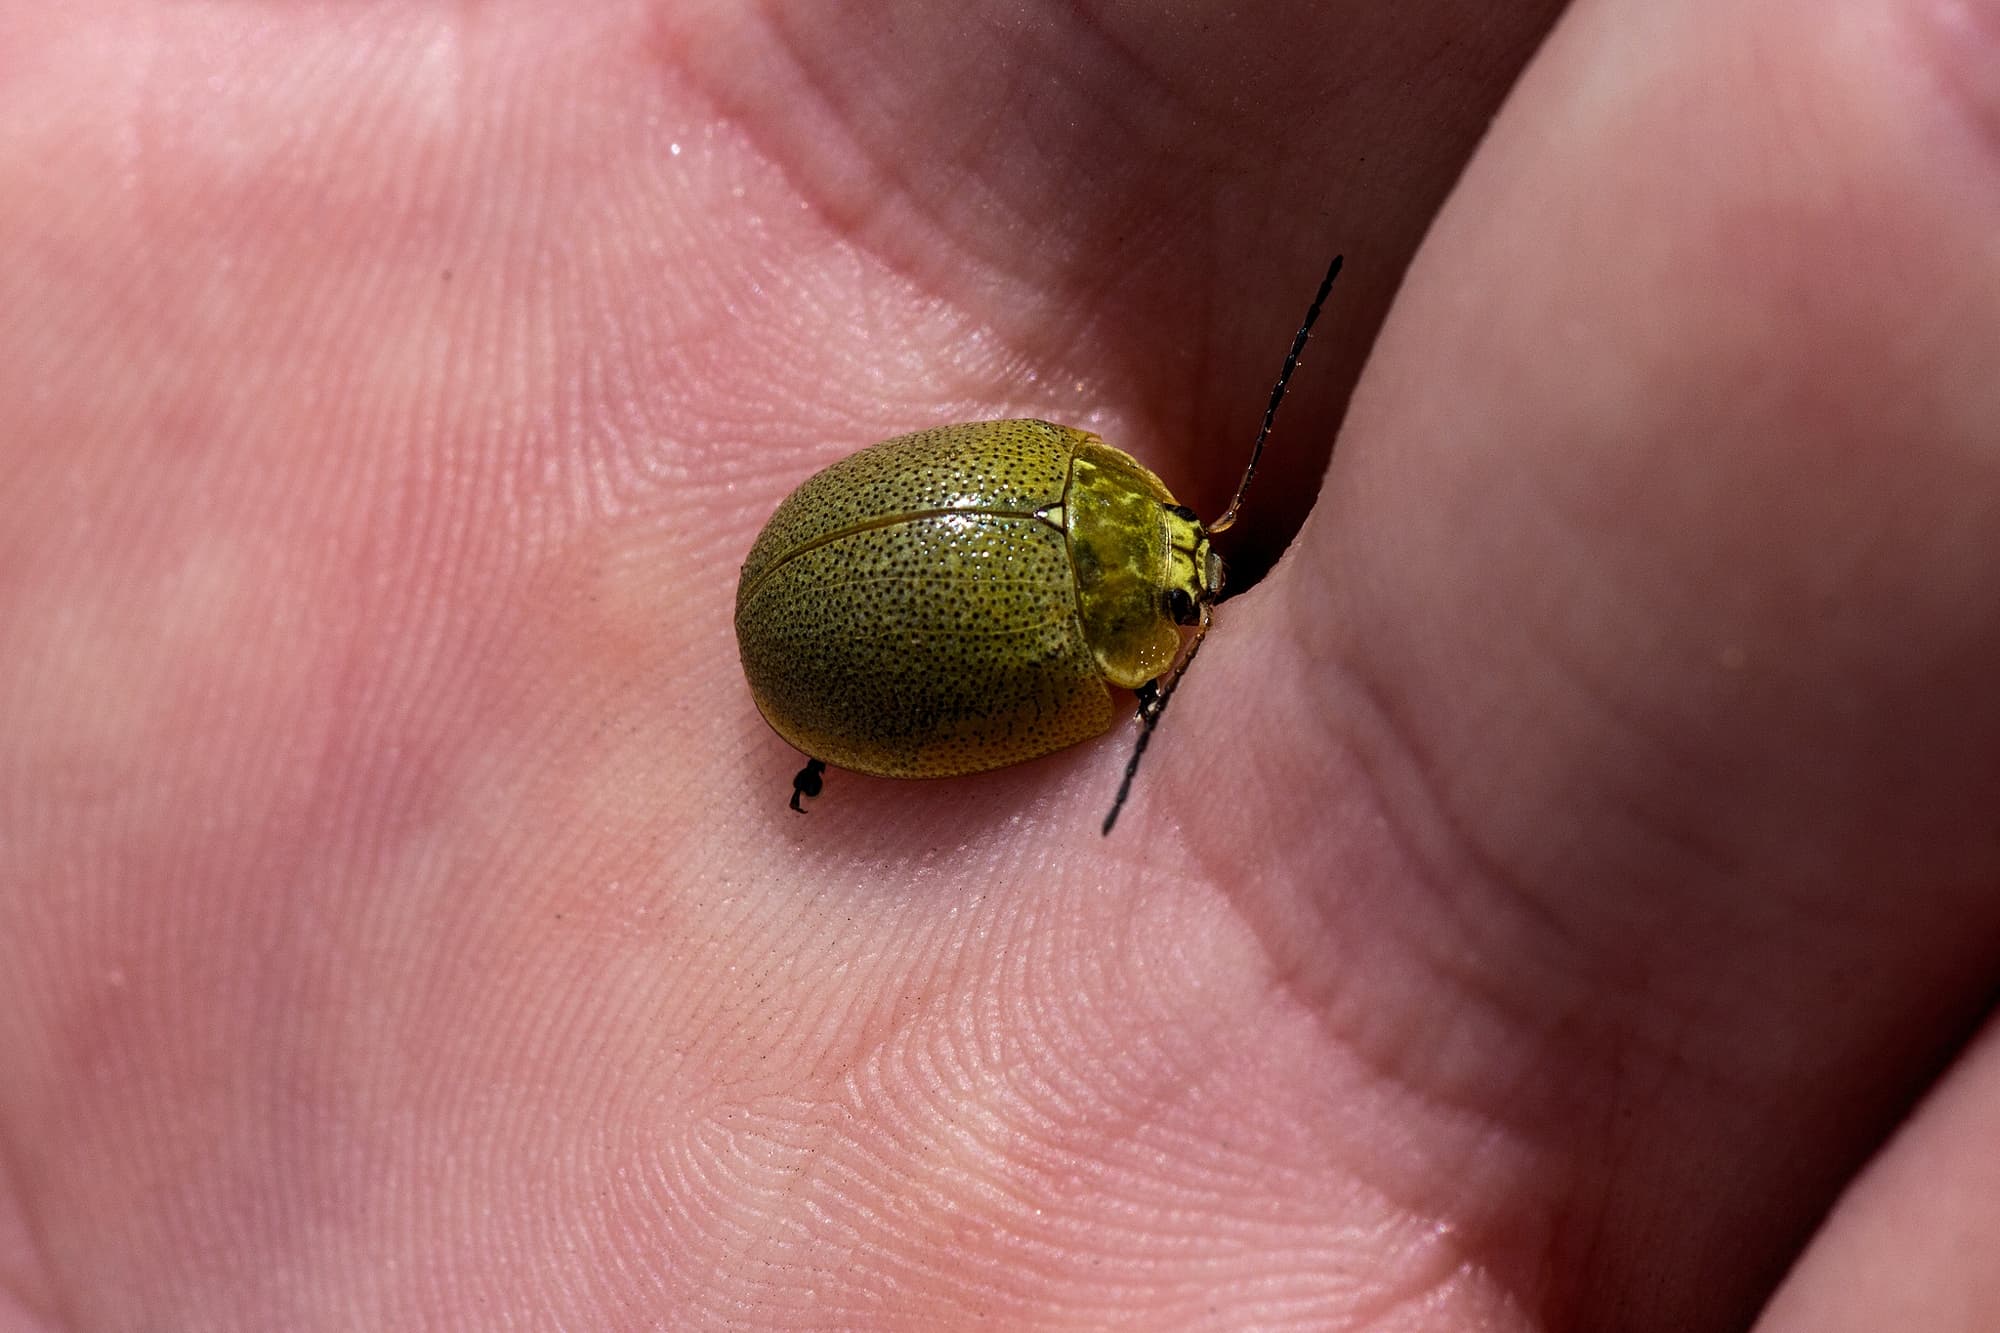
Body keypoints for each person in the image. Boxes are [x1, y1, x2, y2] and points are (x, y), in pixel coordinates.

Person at [3, 1, 1995, 1327]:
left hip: (856, 607)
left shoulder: (1080, 530)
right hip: (846, 621)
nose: (1190, 567)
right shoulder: (1075, 642)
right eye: (1185, 580)